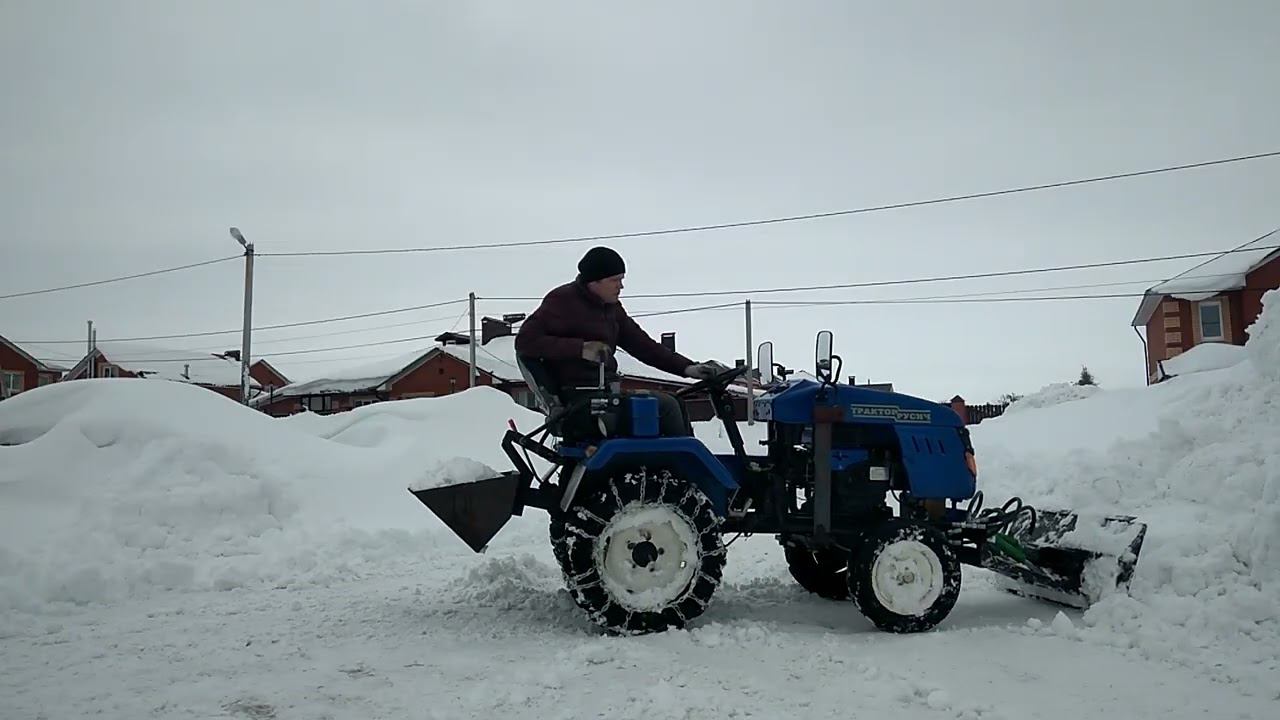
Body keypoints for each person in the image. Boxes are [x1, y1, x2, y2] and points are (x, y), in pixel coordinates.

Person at [514, 246, 730, 437]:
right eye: (615, 280)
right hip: (580, 398)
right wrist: (580, 348)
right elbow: (525, 342)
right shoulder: (562, 302)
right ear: (594, 281)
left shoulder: (611, 309)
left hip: (606, 392)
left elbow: (643, 345)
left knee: (676, 403)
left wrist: (688, 367)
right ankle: (682, 471)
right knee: (667, 407)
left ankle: (676, 470)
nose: (621, 287)